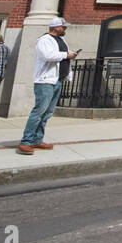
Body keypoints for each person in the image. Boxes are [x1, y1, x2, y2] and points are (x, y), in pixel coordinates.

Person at [18, 17, 79, 155]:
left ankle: (37, 139)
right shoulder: (44, 40)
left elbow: (61, 56)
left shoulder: (61, 40)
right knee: (39, 111)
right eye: (63, 27)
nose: (65, 29)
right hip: (45, 81)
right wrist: (66, 55)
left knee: (47, 113)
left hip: (57, 80)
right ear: (55, 27)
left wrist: (69, 55)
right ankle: (26, 141)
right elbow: (47, 55)